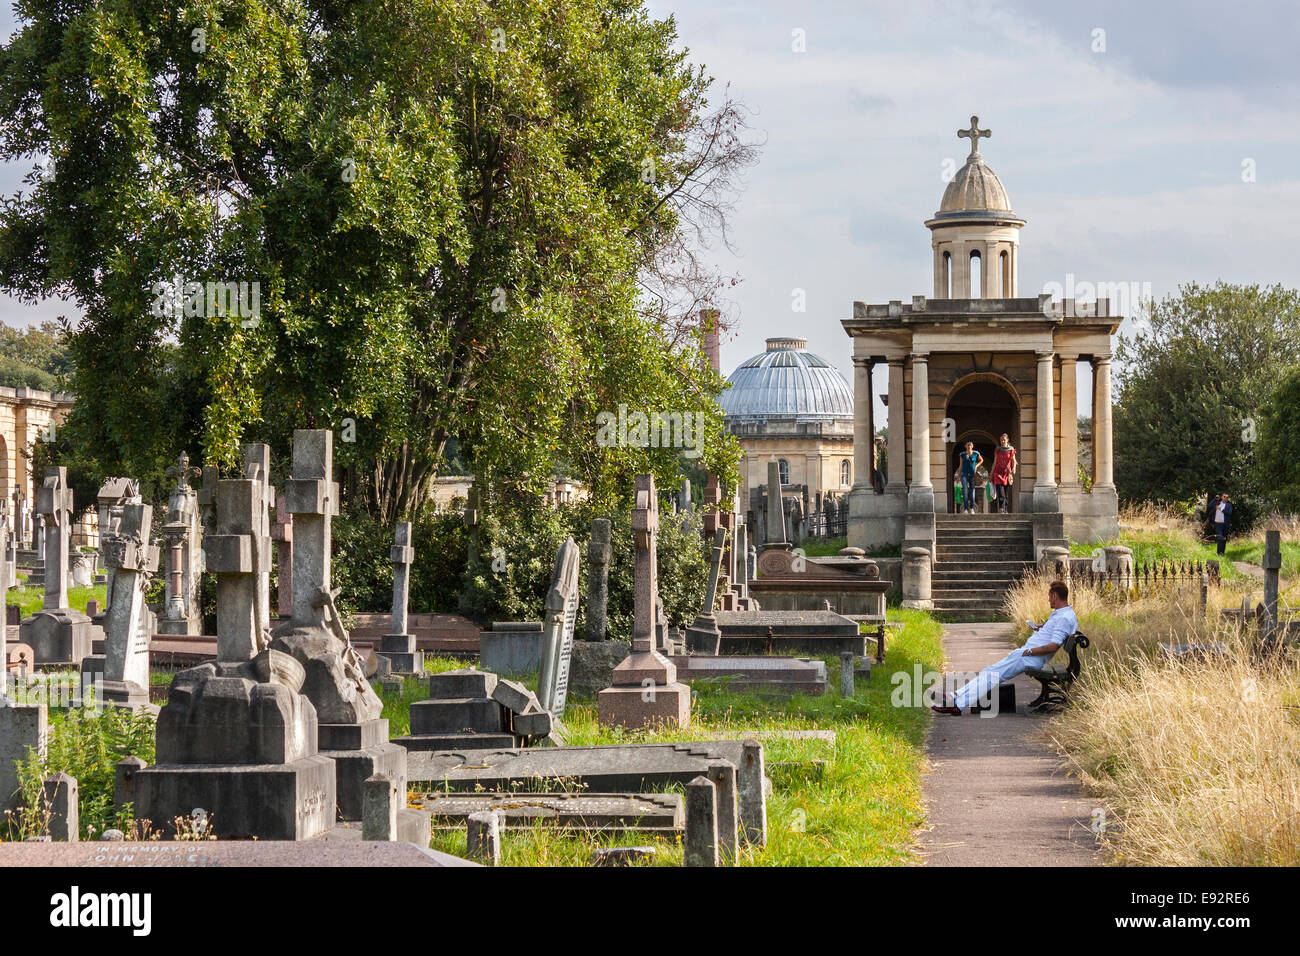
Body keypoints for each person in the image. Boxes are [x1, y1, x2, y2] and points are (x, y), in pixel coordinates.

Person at [932, 580, 1076, 715]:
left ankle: (958, 705)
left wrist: (1029, 651)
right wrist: (1041, 627)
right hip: (1025, 654)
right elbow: (1055, 632)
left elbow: (1053, 646)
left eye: (1050, 597)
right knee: (989, 672)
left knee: (992, 677)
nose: (1049, 600)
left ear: (1055, 596)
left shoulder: (1063, 618)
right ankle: (955, 696)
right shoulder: (1064, 614)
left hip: (1030, 657)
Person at [990, 433, 1017, 513]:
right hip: (997, 473)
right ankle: (1001, 508)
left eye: (1003, 440)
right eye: (1001, 440)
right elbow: (995, 462)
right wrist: (991, 474)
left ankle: (1005, 509)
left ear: (1007, 440)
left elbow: (1014, 461)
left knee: (1006, 492)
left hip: (1006, 474)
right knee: (1001, 492)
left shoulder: (1011, 450)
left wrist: (1013, 469)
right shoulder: (998, 450)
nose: (1002, 441)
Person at [959, 441, 983, 515]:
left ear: (972, 446)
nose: (969, 446)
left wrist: (976, 466)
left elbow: (981, 460)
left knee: (972, 491)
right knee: (965, 492)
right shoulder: (962, 454)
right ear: (965, 446)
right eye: (968, 445)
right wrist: (958, 476)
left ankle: (972, 508)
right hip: (964, 475)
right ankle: (966, 509)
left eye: (970, 445)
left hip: (972, 475)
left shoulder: (976, 453)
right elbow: (961, 465)